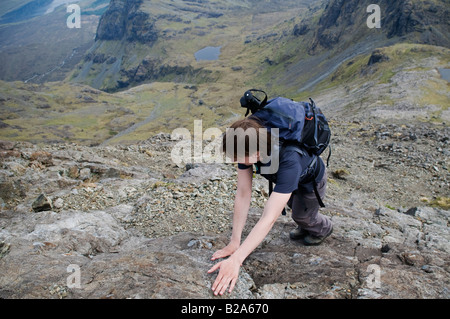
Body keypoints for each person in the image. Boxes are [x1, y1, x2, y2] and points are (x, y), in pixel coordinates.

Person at [207, 117, 333, 296]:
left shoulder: (289, 160)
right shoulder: (250, 143)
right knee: (292, 205)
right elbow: (243, 193)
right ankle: (304, 223)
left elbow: (269, 217)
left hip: (311, 181)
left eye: (238, 157)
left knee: (302, 216)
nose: (236, 161)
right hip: (285, 179)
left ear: (257, 153)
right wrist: (234, 242)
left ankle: (323, 228)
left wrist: (236, 260)